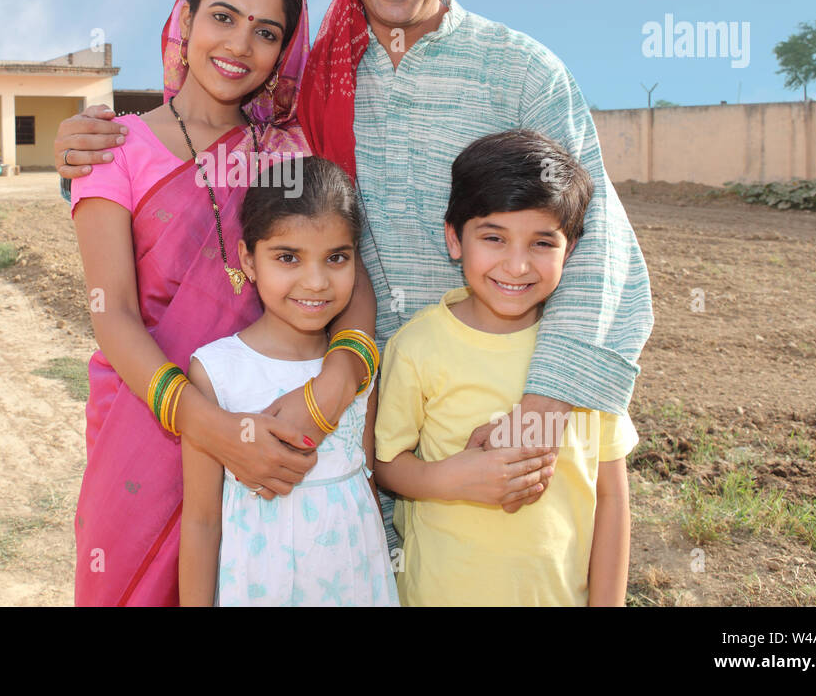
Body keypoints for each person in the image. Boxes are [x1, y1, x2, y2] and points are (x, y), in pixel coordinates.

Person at [57, 0, 653, 540]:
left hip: (496, 418)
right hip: (346, 434)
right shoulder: (318, 88)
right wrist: (75, 158)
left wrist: (536, 414)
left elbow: (595, 241)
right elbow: (195, 182)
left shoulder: (523, 72)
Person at [69, 0, 370, 607]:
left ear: (284, 52)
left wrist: (337, 382)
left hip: (272, 425)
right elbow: (110, 310)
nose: (240, 45)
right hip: (145, 424)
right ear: (186, 18)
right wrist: (207, 427)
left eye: (266, 32)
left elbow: (347, 267)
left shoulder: (288, 155)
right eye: (224, 18)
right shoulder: (112, 148)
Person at [180, 155, 554, 606]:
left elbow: (368, 483)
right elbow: (201, 522)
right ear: (248, 259)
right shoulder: (217, 372)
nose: (315, 281)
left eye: (336, 257)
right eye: (287, 258)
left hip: (359, 584)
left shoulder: (360, 368)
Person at [375, 130, 637, 606]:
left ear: (571, 249)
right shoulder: (419, 345)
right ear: (455, 238)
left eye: (541, 243)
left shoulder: (580, 352)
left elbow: (613, 495)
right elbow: (386, 464)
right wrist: (452, 479)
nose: (516, 266)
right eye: (494, 238)